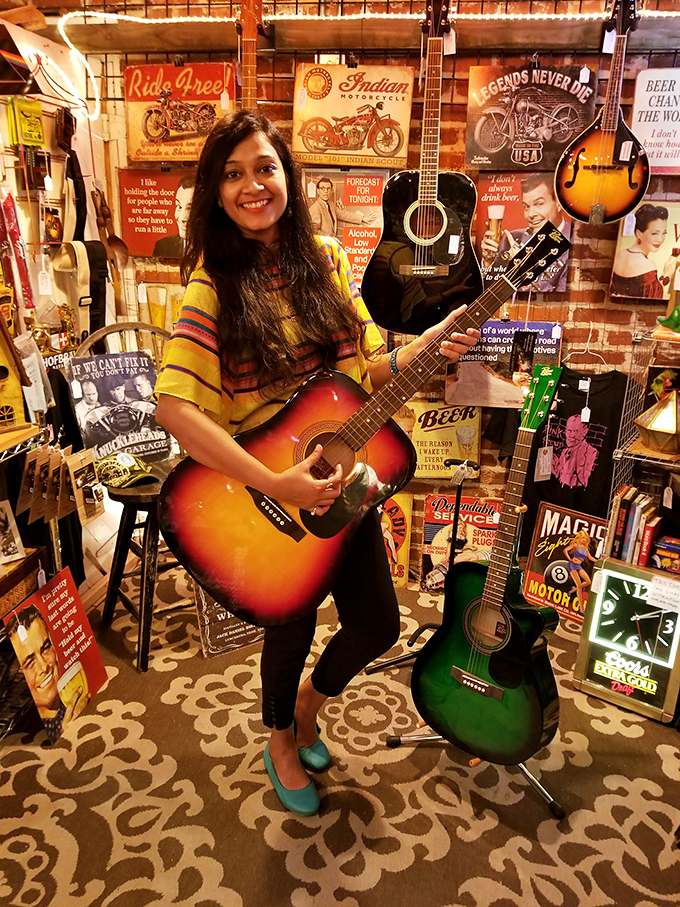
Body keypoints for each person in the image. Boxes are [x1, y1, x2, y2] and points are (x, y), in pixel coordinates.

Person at [154, 110, 479, 816]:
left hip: (344, 483)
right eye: (233, 174)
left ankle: (309, 704)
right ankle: (279, 740)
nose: (252, 186)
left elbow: (369, 369)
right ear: (215, 192)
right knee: (292, 624)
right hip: (268, 495)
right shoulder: (211, 286)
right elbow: (175, 408)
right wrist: (275, 480)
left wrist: (435, 338)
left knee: (378, 625)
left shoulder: (328, 258)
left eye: (264, 168)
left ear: (288, 177)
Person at [5, 605, 89, 742]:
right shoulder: (31, 731)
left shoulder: (73, 687)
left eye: (45, 648)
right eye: (29, 662)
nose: (44, 666)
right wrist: (63, 735)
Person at [479, 174, 571, 292]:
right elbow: (492, 292)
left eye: (539, 204)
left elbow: (562, 298)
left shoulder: (574, 246)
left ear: (559, 203)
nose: (531, 214)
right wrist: (488, 262)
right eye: (526, 207)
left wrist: (523, 270)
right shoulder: (511, 239)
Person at [611, 204, 676, 299]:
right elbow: (654, 299)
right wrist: (667, 275)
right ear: (639, 234)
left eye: (664, 233)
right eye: (655, 233)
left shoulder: (619, 255)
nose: (660, 239)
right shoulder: (648, 265)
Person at [307, 176, 377, 238]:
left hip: (329, 244)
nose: (326, 191)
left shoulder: (331, 205)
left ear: (331, 190)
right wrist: (330, 239)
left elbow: (344, 215)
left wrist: (362, 218)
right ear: (318, 191)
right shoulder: (315, 208)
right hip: (322, 244)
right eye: (322, 188)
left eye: (328, 188)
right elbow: (314, 231)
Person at [153, 174, 196, 258]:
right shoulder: (163, 246)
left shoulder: (216, 249)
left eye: (190, 209)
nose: (182, 218)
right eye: (179, 207)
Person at [553, 413, 598, 489]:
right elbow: (559, 476)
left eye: (575, 431)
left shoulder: (591, 452)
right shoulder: (564, 451)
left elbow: (585, 481)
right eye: (569, 430)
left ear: (584, 432)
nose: (571, 435)